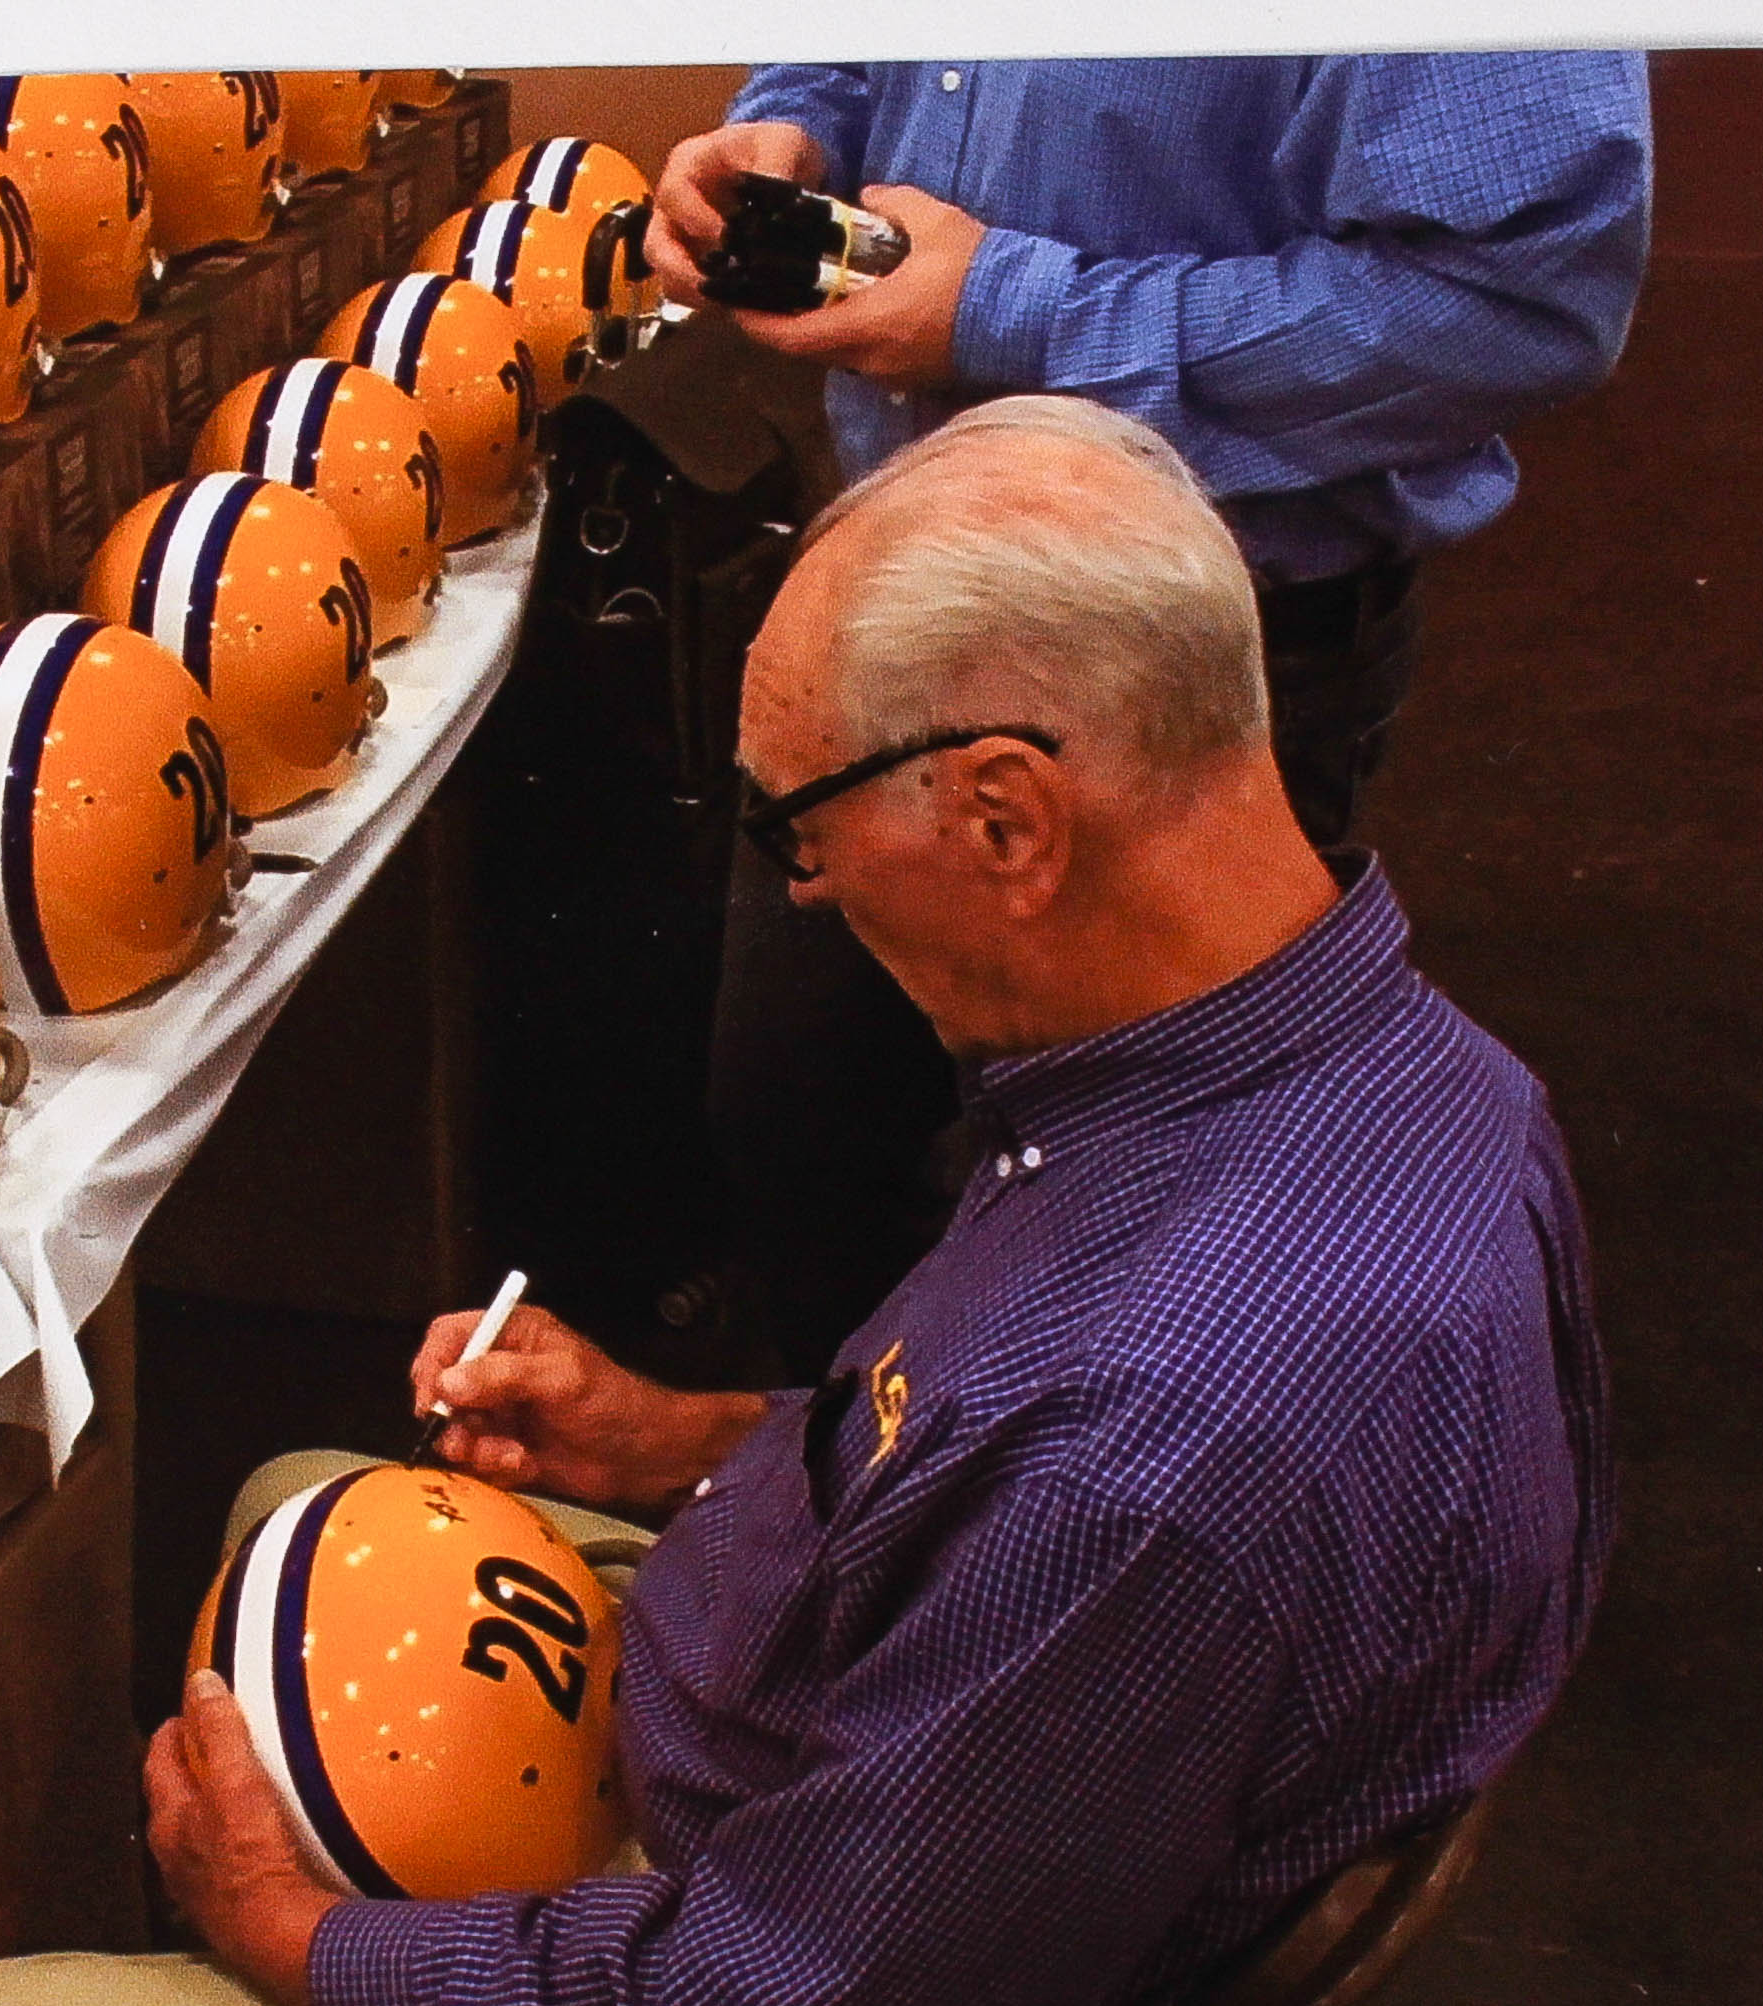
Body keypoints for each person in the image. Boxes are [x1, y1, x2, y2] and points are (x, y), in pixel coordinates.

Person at [0, 397, 1615, 2006]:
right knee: (304, 1510)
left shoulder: (1157, 1436)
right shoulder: (1397, 1082)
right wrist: (677, 1441)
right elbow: (986, 1466)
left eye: (802, 832)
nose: (806, 890)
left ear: (1007, 819)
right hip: (909, 1809)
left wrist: (288, 1936)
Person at [648, 55, 1654, 1378]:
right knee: (805, 1133)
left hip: (1180, 643)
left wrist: (1015, 314)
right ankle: (850, 1527)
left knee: (1131, 1263)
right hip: (895, 583)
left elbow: (1520, 300)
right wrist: (794, 125)